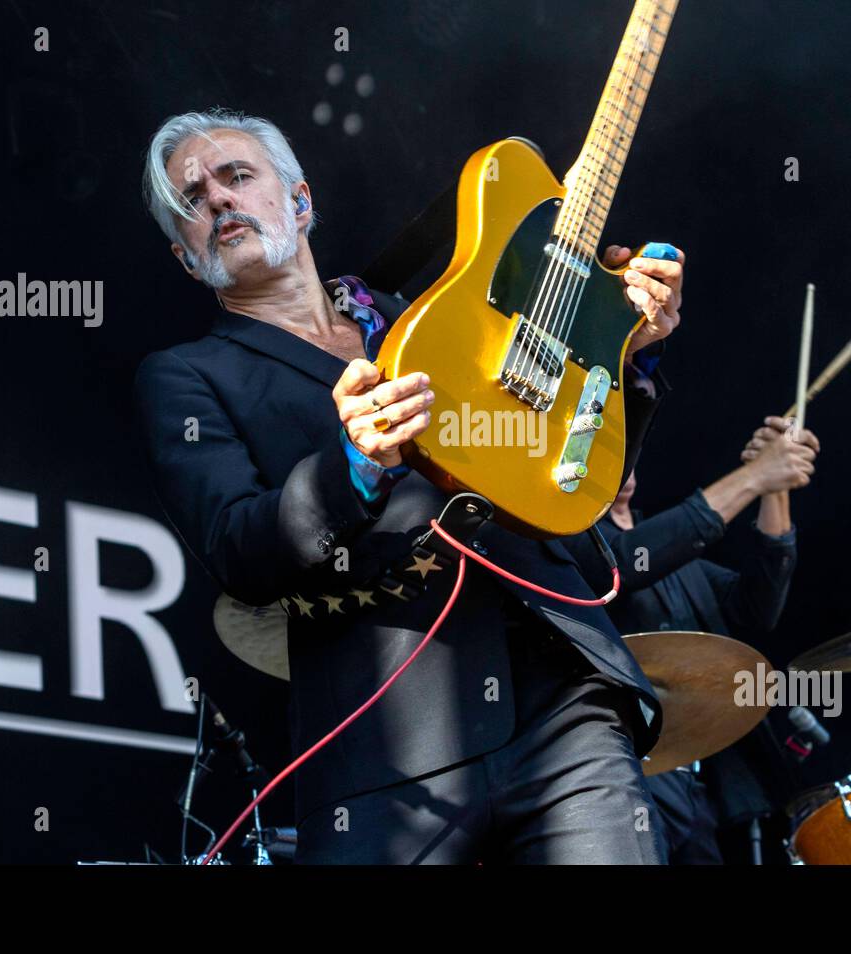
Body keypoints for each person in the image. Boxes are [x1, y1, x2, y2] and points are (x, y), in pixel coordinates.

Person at [133, 108, 690, 863]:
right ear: (185, 256)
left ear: (299, 200)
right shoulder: (187, 376)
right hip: (388, 745)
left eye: (236, 176)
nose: (218, 201)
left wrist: (623, 352)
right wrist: (353, 463)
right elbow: (238, 549)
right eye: (192, 201)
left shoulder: (428, 313)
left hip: (562, 693)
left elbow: (564, 467)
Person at [568, 415, 820, 863]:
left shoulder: (675, 553)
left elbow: (757, 608)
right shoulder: (570, 540)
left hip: (692, 776)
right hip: (615, 773)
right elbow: (624, 565)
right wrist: (755, 473)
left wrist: (773, 487)